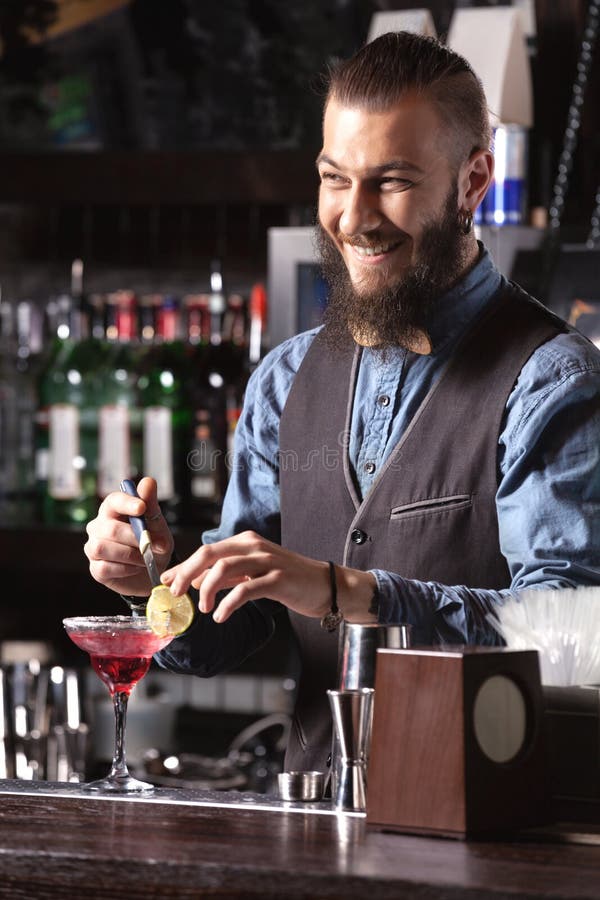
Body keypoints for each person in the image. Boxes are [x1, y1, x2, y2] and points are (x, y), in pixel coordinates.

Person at [84, 31, 600, 775]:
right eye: (335, 178)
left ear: (473, 180)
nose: (354, 217)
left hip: (492, 836)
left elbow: (572, 636)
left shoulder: (551, 381)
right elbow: (241, 621)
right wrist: (157, 585)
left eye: (391, 180)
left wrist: (345, 593)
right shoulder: (285, 377)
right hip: (316, 831)